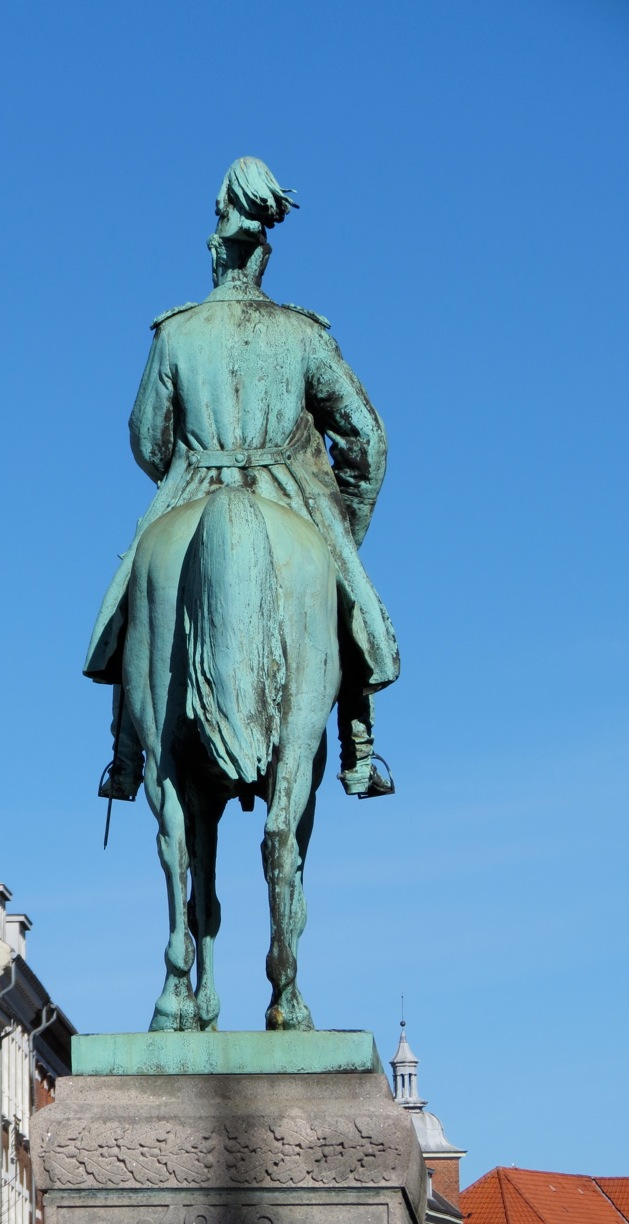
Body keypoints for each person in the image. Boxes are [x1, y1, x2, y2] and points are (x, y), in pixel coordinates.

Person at [85, 157, 398, 801]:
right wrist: (343, 525)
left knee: (130, 609)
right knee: (350, 614)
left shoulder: (175, 333)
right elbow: (366, 438)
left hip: (192, 487)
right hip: (294, 497)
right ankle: (359, 751)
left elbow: (147, 441)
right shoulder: (304, 334)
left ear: (216, 245)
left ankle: (126, 757)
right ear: (263, 255)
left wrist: (190, 472)